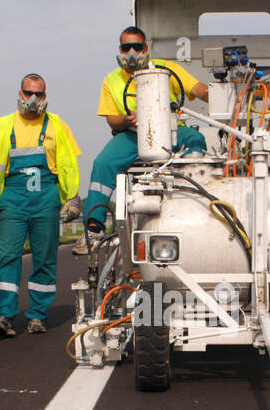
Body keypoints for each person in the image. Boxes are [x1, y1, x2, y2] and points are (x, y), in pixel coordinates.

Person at [76, 26, 209, 252]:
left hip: (171, 130)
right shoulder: (112, 80)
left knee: (195, 139)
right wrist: (127, 120)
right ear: (120, 49)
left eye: (136, 47)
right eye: (126, 47)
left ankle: (192, 204)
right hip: (132, 134)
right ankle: (93, 228)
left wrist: (220, 93)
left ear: (145, 48)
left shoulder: (167, 69)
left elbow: (199, 88)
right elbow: (111, 120)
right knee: (103, 163)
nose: (131, 52)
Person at [0, 74, 81, 337]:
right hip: (13, 201)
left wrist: (72, 197)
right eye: (28, 93)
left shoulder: (58, 126)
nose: (33, 99)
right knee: (8, 257)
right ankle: (3, 315)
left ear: (45, 96)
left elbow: (69, 164)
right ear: (20, 93)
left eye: (39, 94)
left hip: (46, 200)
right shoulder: (4, 125)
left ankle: (37, 315)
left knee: (45, 259)